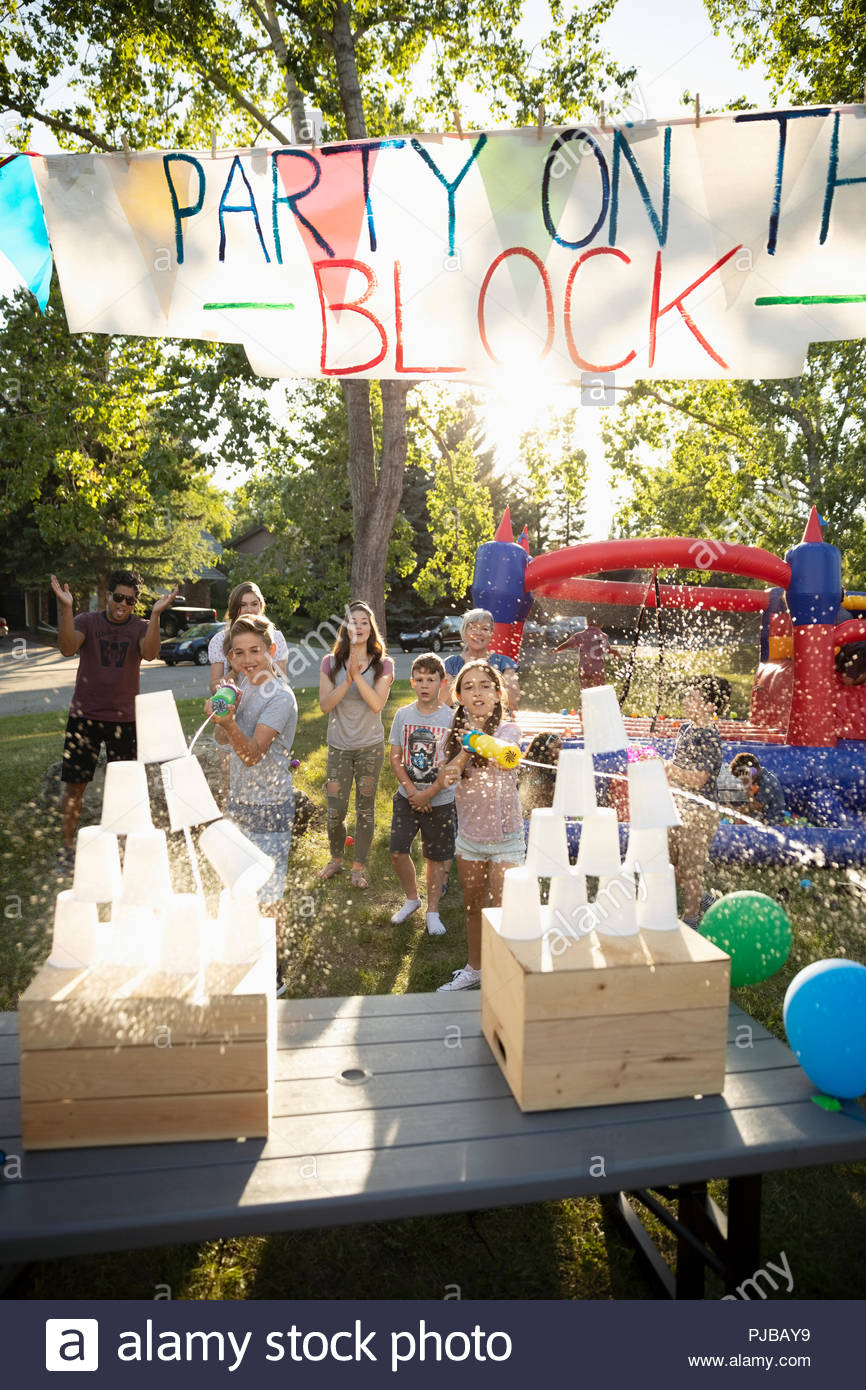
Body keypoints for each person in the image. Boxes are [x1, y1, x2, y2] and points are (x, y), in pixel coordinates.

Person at [50, 570, 177, 872]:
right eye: (118, 597)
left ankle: (122, 850)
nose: (123, 604)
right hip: (85, 717)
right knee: (74, 786)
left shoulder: (140, 626)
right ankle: (67, 850)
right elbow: (67, 647)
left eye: (130, 600)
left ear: (136, 603)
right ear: (108, 595)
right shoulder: (86, 622)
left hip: (126, 721)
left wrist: (156, 614)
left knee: (124, 790)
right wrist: (66, 608)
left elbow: (150, 653)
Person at [208, 614, 298, 996]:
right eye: (239, 652)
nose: (248, 660)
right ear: (230, 656)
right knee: (237, 891)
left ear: (271, 650)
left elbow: (253, 754)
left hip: (271, 808)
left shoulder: (280, 697)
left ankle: (275, 970)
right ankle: (244, 956)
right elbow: (222, 739)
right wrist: (222, 714)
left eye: (255, 651)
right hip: (240, 805)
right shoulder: (241, 684)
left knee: (269, 898)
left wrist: (229, 725)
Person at [435, 660, 524, 992]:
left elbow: (510, 755)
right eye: (469, 687)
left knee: (506, 911)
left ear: (498, 694)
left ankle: (505, 973)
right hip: (470, 839)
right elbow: (446, 779)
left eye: (485, 686)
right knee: (474, 906)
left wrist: (482, 740)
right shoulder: (452, 735)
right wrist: (466, 748)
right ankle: (475, 968)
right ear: (458, 696)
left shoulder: (508, 730)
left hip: (506, 839)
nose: (477, 692)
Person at [318, 601, 395, 889]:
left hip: (369, 747)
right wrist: (347, 677)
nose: (358, 626)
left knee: (365, 808)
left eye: (364, 621)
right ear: (345, 628)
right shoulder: (329, 662)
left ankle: (358, 868)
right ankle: (336, 859)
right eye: (353, 621)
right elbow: (325, 706)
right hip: (339, 745)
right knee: (335, 809)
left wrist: (357, 676)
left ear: (370, 628)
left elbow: (376, 704)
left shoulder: (384, 664)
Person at [387, 653, 455, 936]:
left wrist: (430, 794)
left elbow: (453, 764)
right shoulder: (403, 715)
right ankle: (413, 899)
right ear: (412, 682)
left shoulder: (451, 718)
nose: (425, 684)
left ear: (442, 683)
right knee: (397, 850)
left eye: (431, 679)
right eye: (420, 679)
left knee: (435, 857)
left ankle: (433, 910)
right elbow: (395, 756)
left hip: (440, 800)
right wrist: (414, 791)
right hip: (407, 797)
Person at [665, 675, 731, 928]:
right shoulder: (686, 729)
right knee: (671, 864)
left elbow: (699, 780)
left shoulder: (710, 738)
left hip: (700, 813)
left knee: (691, 870)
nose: (686, 701)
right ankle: (700, 900)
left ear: (710, 706)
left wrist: (669, 769)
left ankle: (691, 920)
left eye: (693, 698)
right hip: (678, 807)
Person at [209, 582, 288, 694]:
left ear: (261, 606)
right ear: (234, 608)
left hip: (266, 702)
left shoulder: (276, 637)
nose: (249, 610)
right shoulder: (219, 640)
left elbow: (282, 682)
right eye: (243, 605)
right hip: (234, 706)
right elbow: (214, 689)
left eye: (254, 604)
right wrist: (234, 671)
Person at [442, 608, 520, 711]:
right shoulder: (450, 664)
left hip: (496, 723)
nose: (478, 633)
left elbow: (512, 702)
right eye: (473, 628)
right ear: (464, 632)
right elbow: (443, 702)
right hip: (458, 723)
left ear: (491, 634)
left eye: (485, 629)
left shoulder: (504, 663)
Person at [555, 621, 619, 689]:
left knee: (585, 691)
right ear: (601, 624)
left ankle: (584, 699)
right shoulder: (602, 636)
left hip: (584, 669)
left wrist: (557, 649)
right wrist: (615, 652)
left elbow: (568, 644)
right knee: (600, 690)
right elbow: (607, 649)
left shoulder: (580, 635)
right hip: (597, 669)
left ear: (587, 622)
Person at [730, 752, 788, 823]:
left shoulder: (767, 782)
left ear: (751, 772)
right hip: (761, 819)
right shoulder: (757, 779)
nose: (742, 781)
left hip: (772, 823)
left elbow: (756, 807)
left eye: (742, 778)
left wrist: (732, 811)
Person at [519, 731, 562, 814]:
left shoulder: (556, 770)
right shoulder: (527, 770)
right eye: (558, 747)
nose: (561, 751)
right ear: (545, 750)